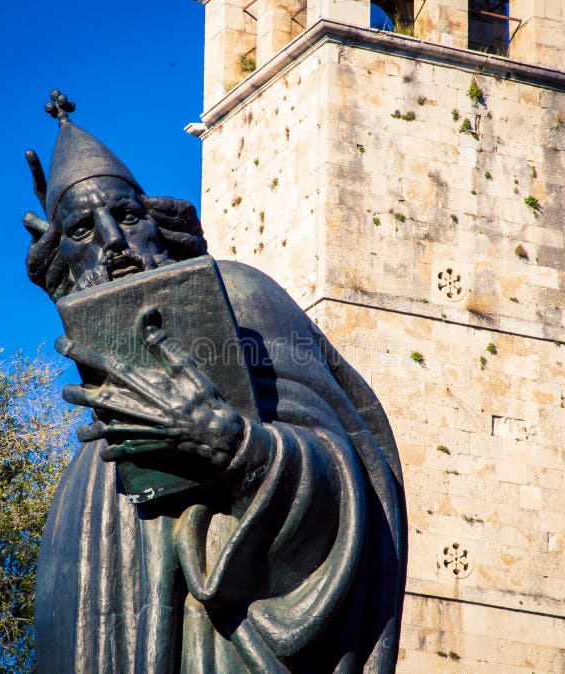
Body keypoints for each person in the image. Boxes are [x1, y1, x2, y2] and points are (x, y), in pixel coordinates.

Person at [24, 91, 407, 674]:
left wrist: (234, 445)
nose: (114, 241)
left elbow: (353, 466)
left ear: (161, 225)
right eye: (81, 230)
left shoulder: (241, 298)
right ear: (61, 260)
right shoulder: (93, 456)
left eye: (128, 216)